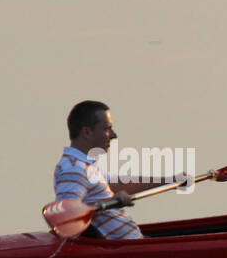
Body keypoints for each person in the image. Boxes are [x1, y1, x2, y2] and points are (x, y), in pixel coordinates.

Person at [53, 100, 184, 240]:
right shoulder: (73, 170)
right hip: (127, 253)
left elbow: (119, 185)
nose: (114, 135)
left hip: (137, 245)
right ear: (87, 132)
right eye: (107, 129)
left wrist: (170, 180)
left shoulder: (86, 165)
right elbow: (67, 219)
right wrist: (109, 203)